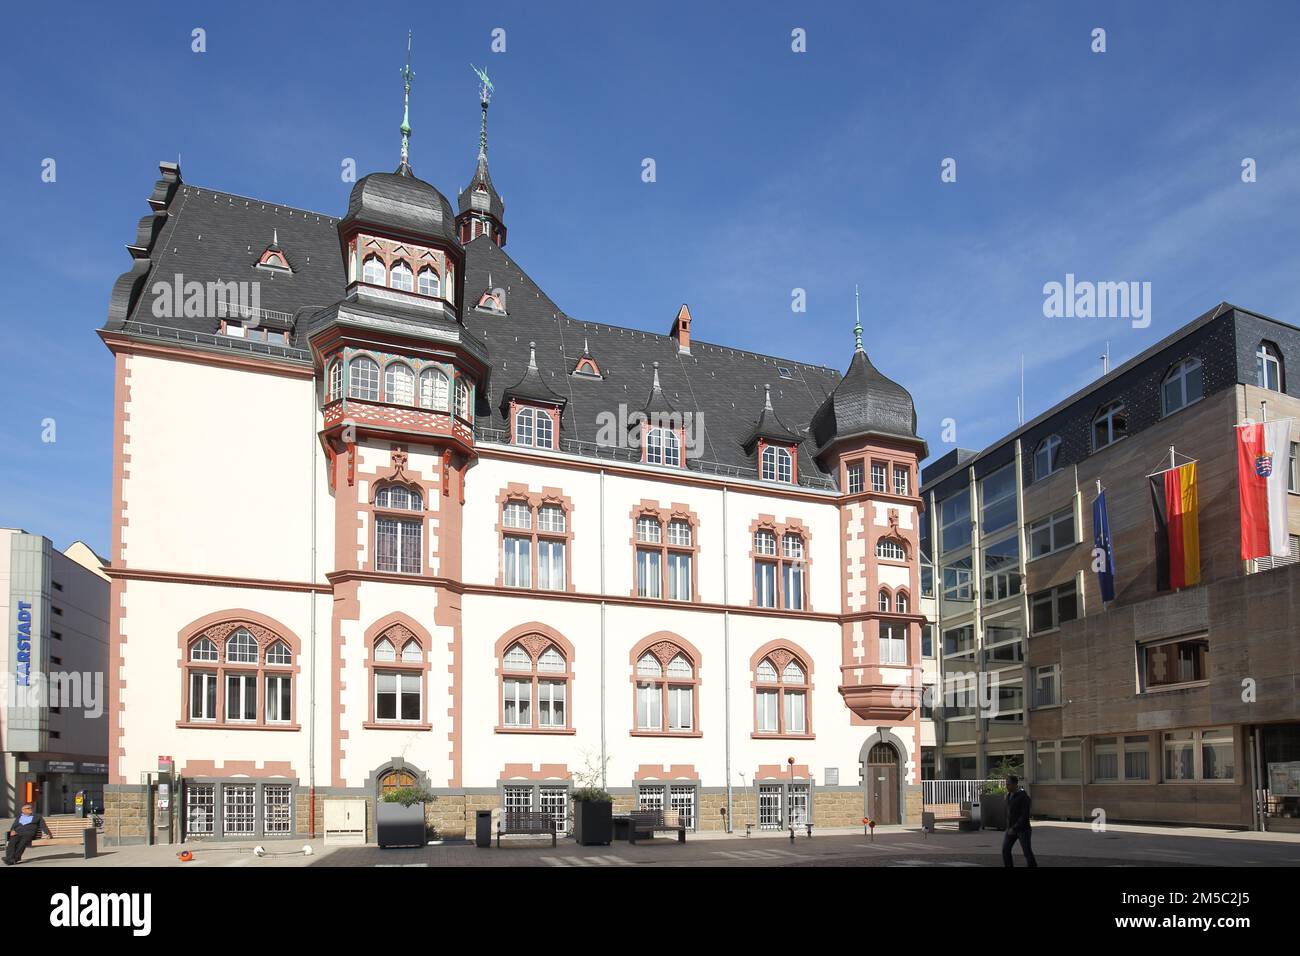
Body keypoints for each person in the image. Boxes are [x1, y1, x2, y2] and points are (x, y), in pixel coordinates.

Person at [1001, 775, 1037, 868]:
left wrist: (1015, 827)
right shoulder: (1009, 796)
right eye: (1006, 784)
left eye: (1008, 784)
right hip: (1011, 828)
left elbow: (1024, 815)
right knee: (1005, 849)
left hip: (1022, 829)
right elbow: (1009, 812)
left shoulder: (1023, 797)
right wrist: (1009, 826)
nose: (1007, 786)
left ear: (1015, 784)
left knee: (1027, 851)